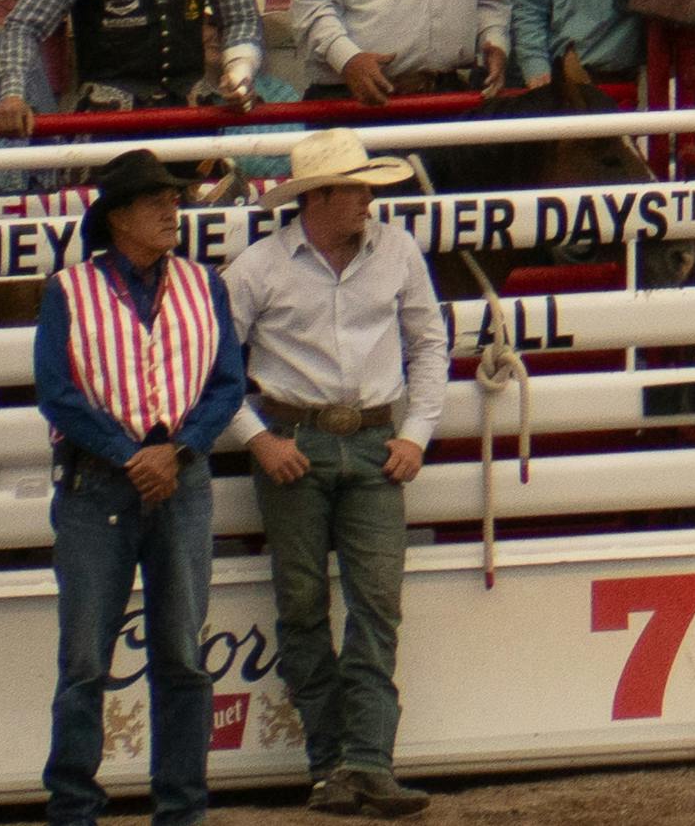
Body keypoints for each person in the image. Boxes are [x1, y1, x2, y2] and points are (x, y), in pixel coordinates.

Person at [32, 144, 244, 826]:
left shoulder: (205, 283)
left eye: (174, 198)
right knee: (86, 660)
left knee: (182, 653)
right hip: (103, 486)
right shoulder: (68, 290)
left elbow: (228, 382)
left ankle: (179, 810)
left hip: (171, 478)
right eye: (156, 199)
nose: (171, 208)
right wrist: (136, 454)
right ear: (118, 215)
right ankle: (74, 810)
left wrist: (174, 451)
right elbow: (58, 394)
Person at [237, 130, 445, 821]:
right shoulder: (257, 267)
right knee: (305, 604)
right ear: (317, 196)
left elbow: (429, 340)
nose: (368, 198)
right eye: (356, 187)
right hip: (298, 439)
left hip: (370, 438)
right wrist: (258, 438)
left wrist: (415, 432)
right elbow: (212, 367)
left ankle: (359, 761)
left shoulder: (394, 250)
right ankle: (340, 761)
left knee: (373, 602)